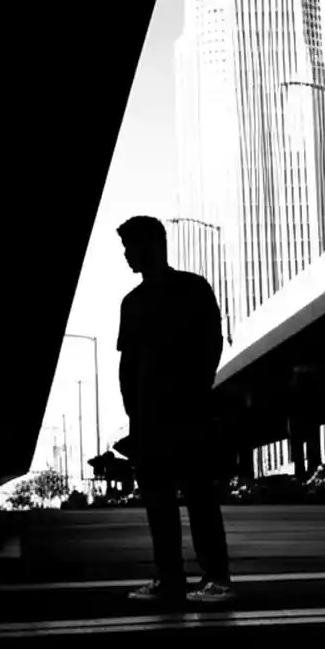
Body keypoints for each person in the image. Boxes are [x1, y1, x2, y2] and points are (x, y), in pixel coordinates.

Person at [115, 215, 234, 604]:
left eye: (131, 246)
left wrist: (196, 391)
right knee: (162, 503)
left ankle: (215, 578)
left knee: (196, 497)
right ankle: (172, 578)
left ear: (153, 244)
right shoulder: (132, 302)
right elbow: (128, 363)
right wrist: (135, 414)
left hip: (185, 412)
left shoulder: (191, 288)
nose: (127, 255)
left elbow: (211, 343)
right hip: (152, 417)